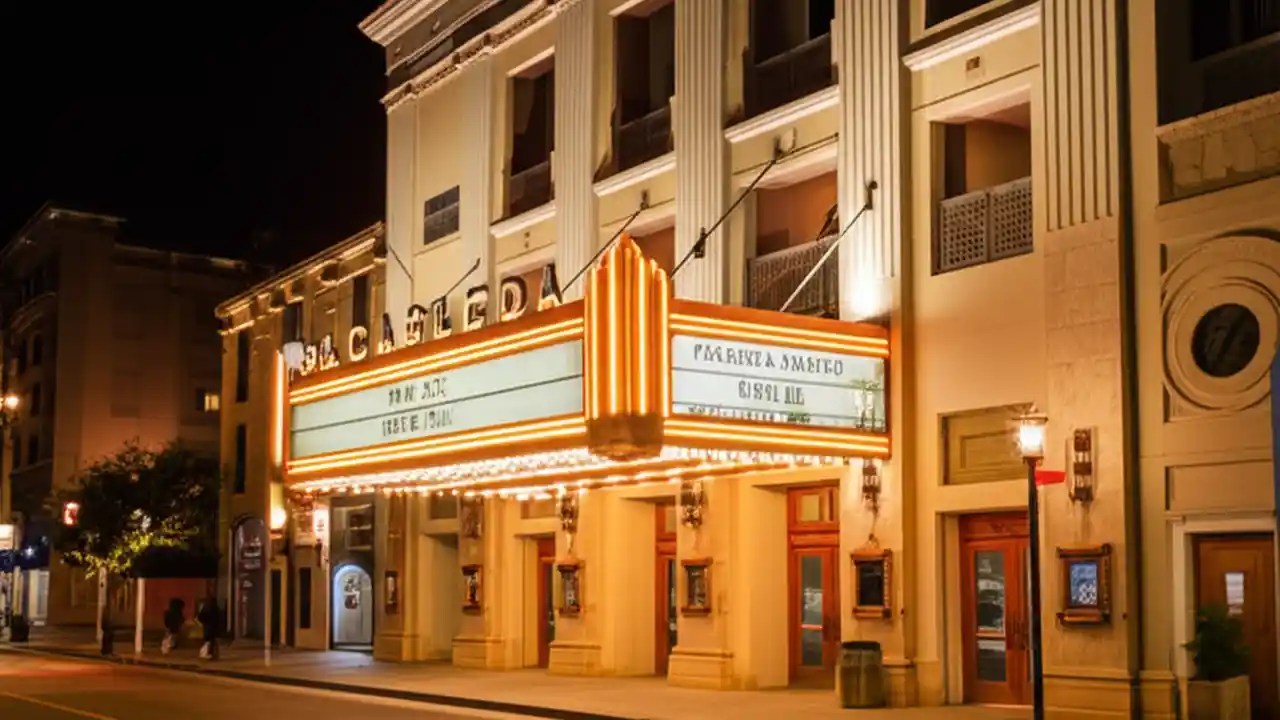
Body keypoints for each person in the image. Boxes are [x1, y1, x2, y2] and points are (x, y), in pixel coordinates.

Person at [197, 596, 219, 660]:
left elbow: (200, 617)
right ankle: (210, 654)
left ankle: (208, 653)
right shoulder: (215, 608)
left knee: (208, 641)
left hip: (207, 627)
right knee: (212, 641)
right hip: (213, 627)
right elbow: (218, 619)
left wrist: (204, 622)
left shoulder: (205, 608)